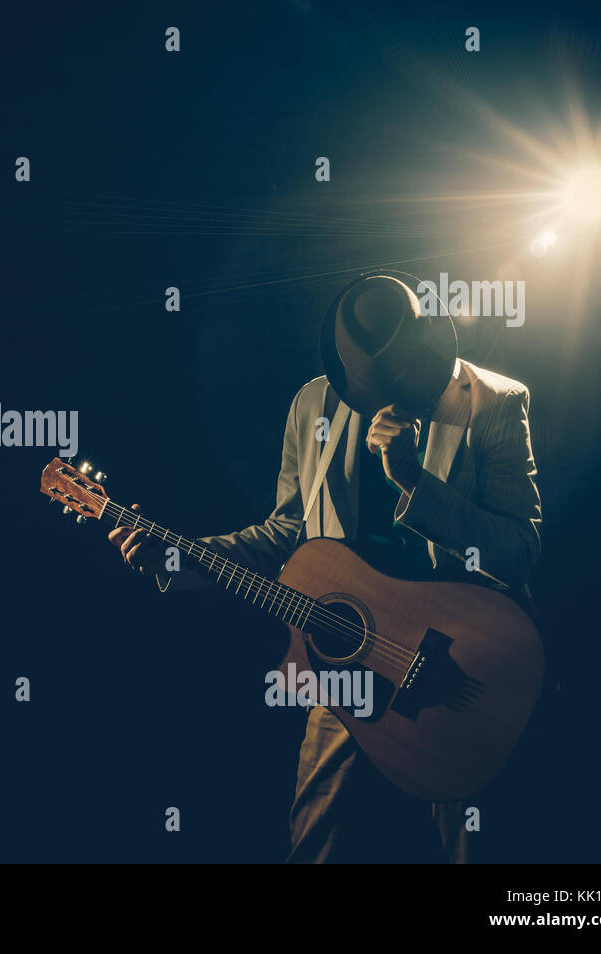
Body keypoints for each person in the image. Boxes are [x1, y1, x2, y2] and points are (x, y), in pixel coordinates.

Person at [108, 273, 543, 863]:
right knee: (313, 847)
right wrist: (182, 556)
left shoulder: (495, 403)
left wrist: (414, 484)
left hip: (460, 664)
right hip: (348, 664)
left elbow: (519, 551)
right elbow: (288, 532)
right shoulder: (314, 404)